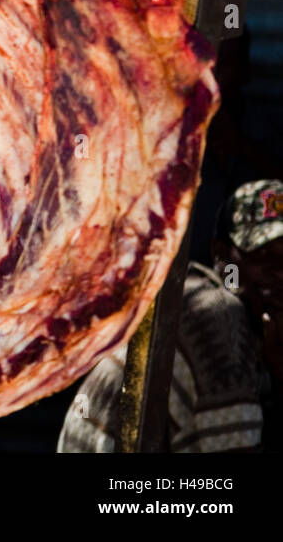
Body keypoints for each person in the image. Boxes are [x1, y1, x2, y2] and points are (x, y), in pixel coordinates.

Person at [57, 178, 282, 453]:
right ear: (222, 258)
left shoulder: (214, 304)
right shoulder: (221, 321)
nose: (280, 272)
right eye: (264, 255)